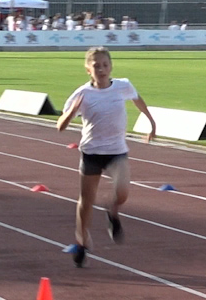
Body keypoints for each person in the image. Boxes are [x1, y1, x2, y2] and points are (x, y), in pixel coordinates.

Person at [55, 47, 156, 267]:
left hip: (117, 151)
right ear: (87, 69)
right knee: (86, 202)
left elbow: (137, 99)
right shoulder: (82, 94)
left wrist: (151, 121)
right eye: (96, 65)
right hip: (91, 152)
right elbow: (60, 127)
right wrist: (71, 113)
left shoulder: (122, 86)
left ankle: (112, 211)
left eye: (105, 65)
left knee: (122, 192)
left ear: (111, 67)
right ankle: (82, 241)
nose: (101, 69)